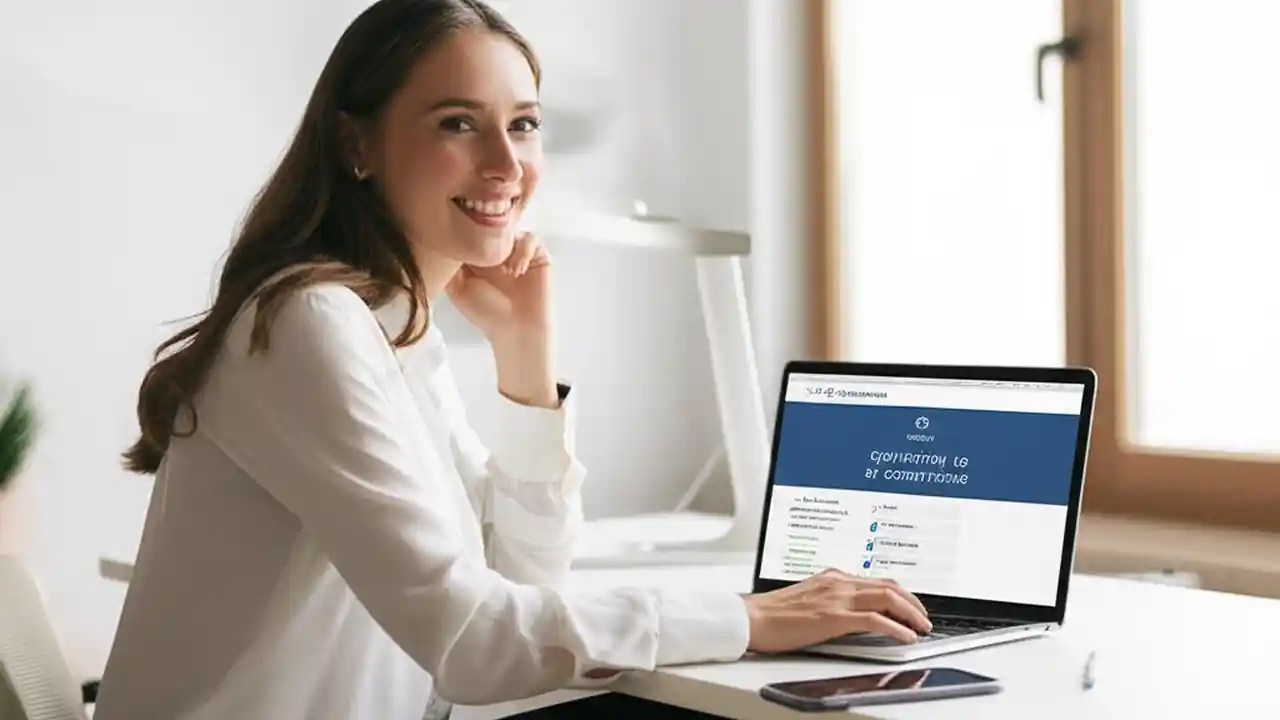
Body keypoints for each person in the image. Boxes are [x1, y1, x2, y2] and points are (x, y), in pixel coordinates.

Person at [94, 1, 932, 718]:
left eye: (524, 123)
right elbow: (474, 642)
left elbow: (526, 578)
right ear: (357, 144)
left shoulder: (391, 325)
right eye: (458, 122)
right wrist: (746, 617)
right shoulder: (310, 322)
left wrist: (525, 359)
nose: (507, 163)